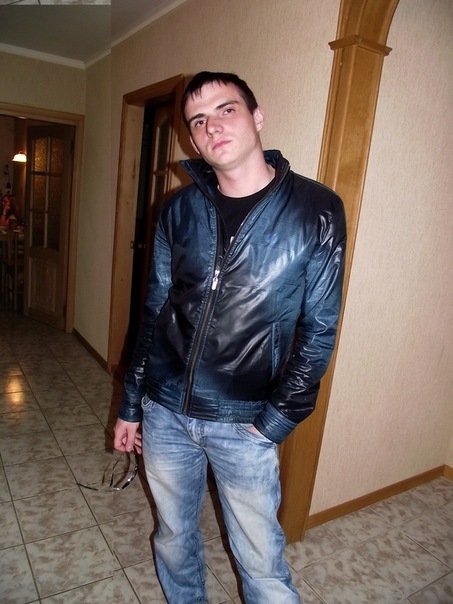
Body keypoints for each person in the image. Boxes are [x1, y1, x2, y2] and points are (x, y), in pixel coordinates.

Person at [114, 71, 346, 603]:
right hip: (164, 412)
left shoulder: (316, 209)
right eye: (198, 120)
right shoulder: (177, 210)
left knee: (261, 562)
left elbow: (319, 329)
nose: (212, 126)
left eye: (226, 109)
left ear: (257, 117)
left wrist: (274, 423)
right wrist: (131, 405)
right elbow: (153, 311)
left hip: (246, 422)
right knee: (173, 537)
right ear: (193, 141)